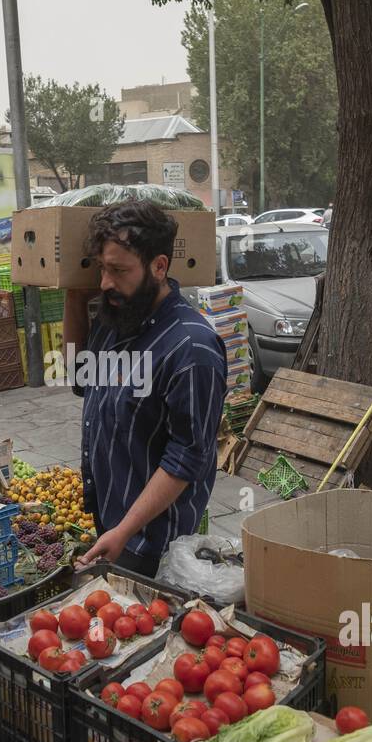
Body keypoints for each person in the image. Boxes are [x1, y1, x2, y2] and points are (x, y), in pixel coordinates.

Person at [64, 200, 227, 578]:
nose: (105, 283)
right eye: (102, 269)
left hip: (152, 543)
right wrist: (73, 296)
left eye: (119, 270)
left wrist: (124, 531)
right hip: (110, 521)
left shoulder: (191, 348)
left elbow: (187, 458)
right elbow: (78, 377)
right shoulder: (114, 319)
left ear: (159, 266)